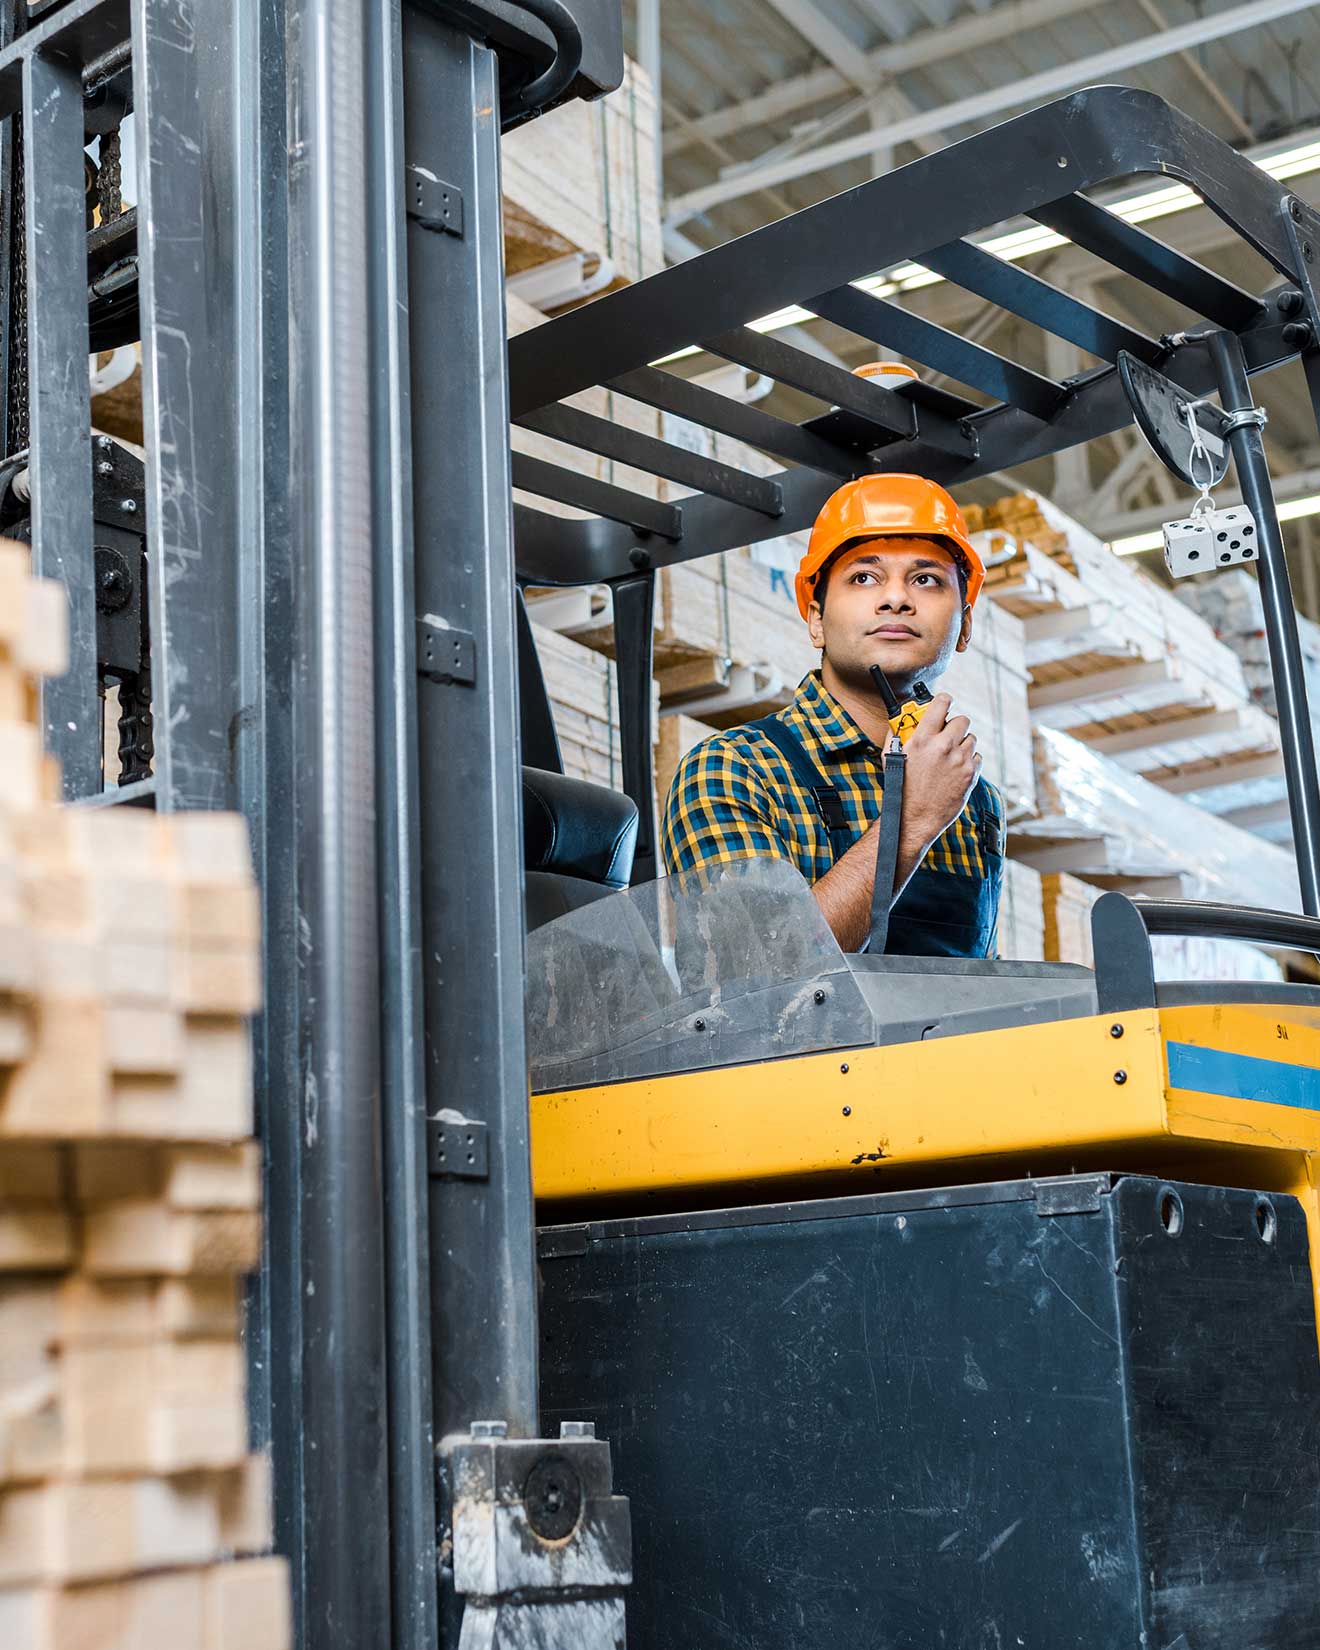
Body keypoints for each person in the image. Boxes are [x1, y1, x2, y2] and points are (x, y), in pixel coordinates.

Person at [660, 472, 1002, 956]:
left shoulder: (975, 799)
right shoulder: (734, 769)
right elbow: (757, 970)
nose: (897, 598)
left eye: (925, 579)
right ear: (816, 620)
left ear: (964, 625)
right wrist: (911, 822)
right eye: (864, 577)